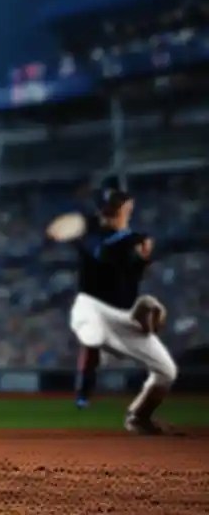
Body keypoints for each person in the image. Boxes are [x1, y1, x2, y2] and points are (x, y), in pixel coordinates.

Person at [45, 181, 177, 434]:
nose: (113, 211)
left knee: (167, 371)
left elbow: (130, 269)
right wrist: (132, 241)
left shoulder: (132, 240)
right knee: (92, 334)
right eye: (109, 206)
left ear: (127, 208)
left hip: (122, 315)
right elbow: (102, 251)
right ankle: (84, 390)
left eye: (118, 205)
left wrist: (141, 260)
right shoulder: (93, 235)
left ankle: (139, 417)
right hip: (91, 307)